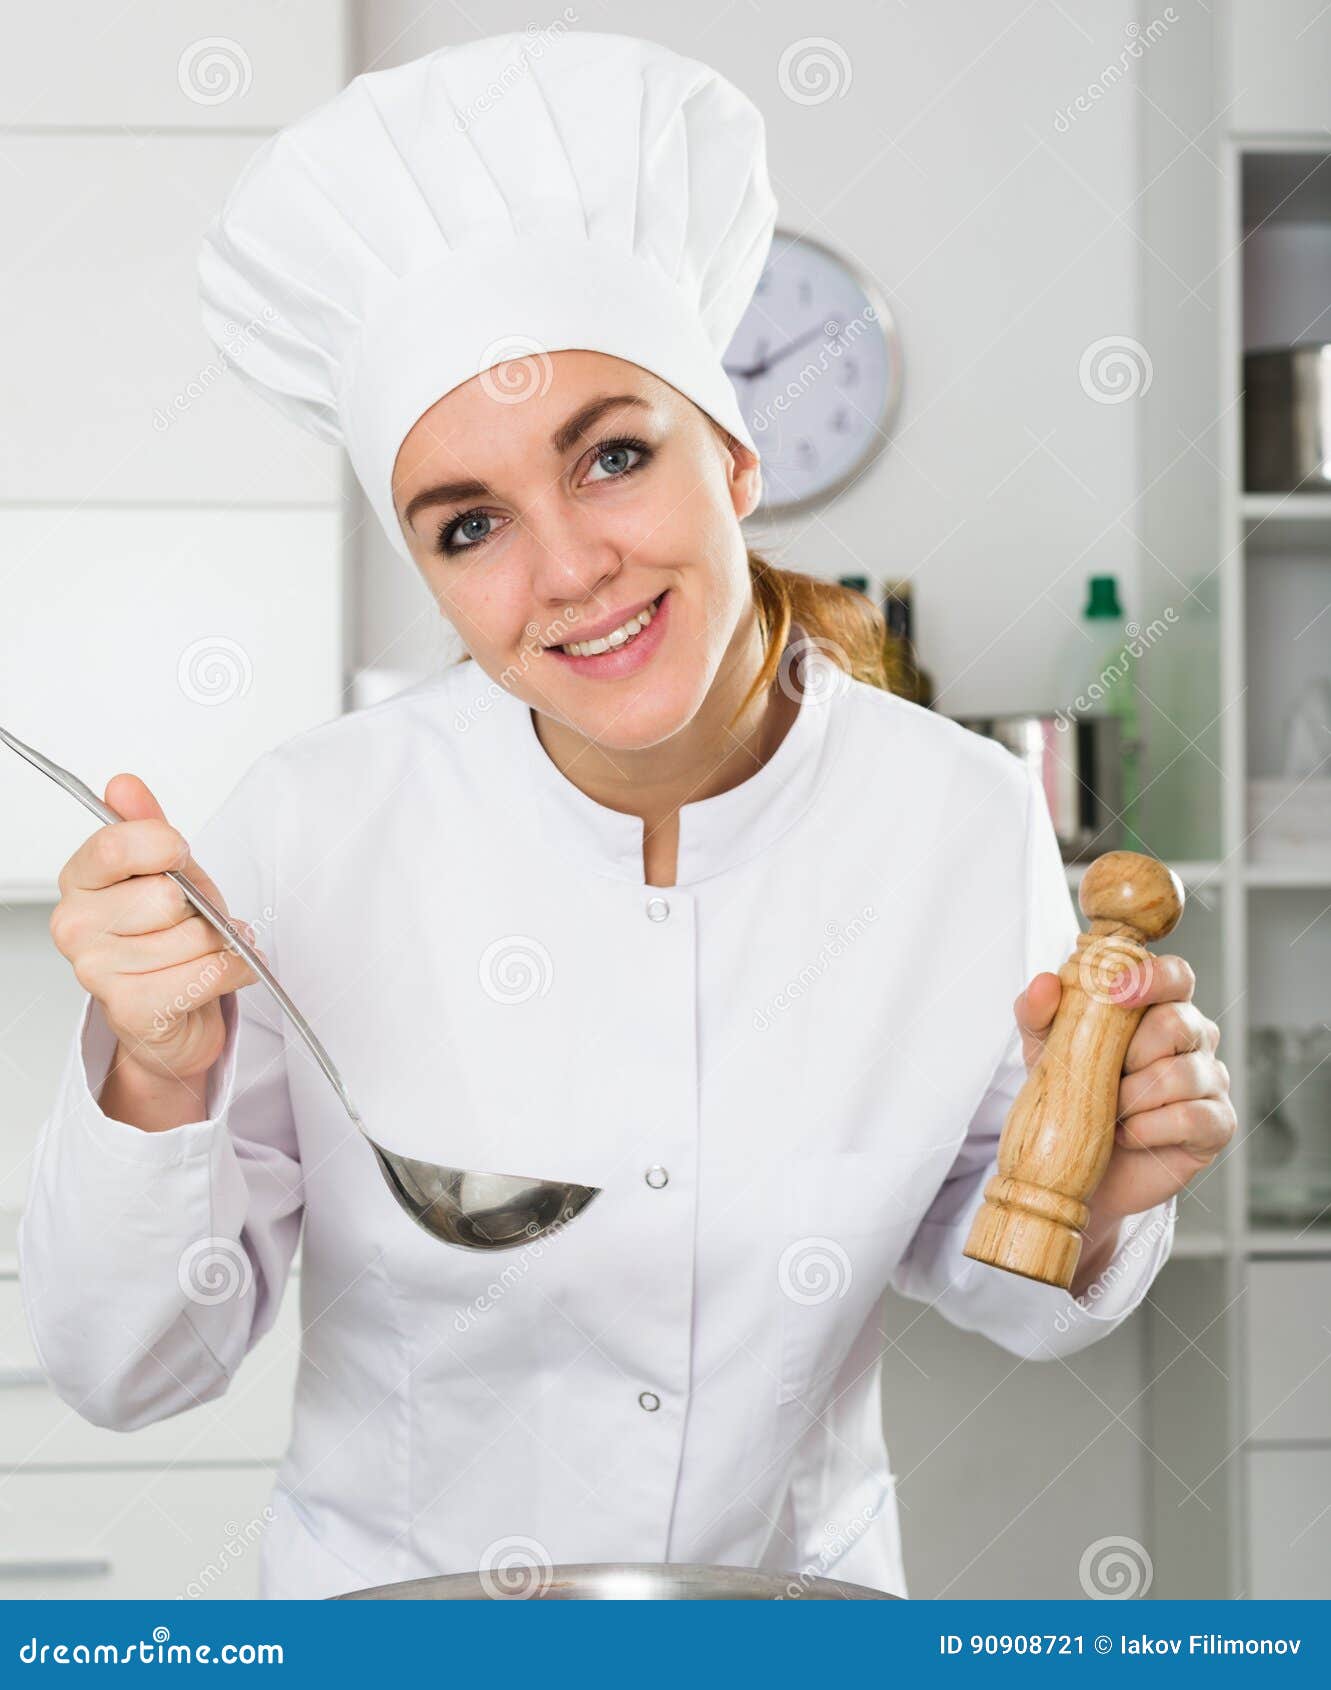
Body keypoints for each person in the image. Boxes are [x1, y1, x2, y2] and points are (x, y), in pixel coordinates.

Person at [19, 31, 1234, 1600]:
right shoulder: (307, 831)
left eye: (610, 454)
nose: (571, 568)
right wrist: (156, 1076)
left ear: (734, 457)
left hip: (788, 1613)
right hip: (400, 1629)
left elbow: (1001, 1275)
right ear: (430, 571)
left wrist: (1105, 1191)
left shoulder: (956, 815)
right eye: (471, 525)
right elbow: (128, 1369)